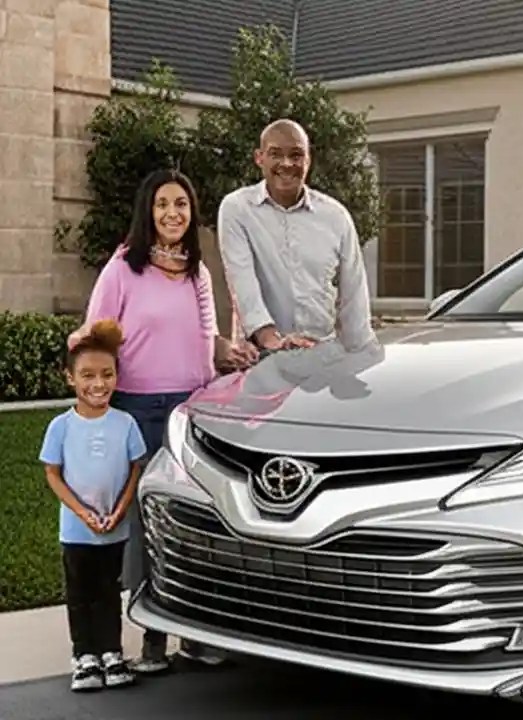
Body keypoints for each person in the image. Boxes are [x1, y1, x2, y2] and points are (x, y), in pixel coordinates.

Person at [69, 168, 258, 674]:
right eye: (162, 205)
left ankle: (195, 632)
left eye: (181, 204)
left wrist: (229, 352)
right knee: (144, 524)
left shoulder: (197, 272)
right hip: (136, 410)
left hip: (191, 412)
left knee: (195, 522)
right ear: (147, 212)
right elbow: (95, 336)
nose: (172, 214)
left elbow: (206, 338)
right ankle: (151, 634)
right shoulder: (121, 270)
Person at [41, 319, 147, 692]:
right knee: (79, 593)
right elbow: (53, 474)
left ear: (117, 376)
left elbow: (136, 468)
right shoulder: (61, 427)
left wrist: (120, 509)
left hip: (113, 528)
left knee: (108, 591)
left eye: (106, 374)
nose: (98, 384)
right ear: (71, 379)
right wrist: (81, 512)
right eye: (87, 375)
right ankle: (84, 656)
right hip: (76, 530)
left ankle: (110, 652)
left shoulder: (125, 423)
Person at [217, 118, 376, 353]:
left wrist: (363, 355)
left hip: (324, 359)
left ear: (308, 160)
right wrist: (271, 340)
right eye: (275, 154)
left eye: (296, 155)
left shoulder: (335, 216)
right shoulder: (237, 209)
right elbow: (242, 282)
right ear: (259, 158)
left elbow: (354, 297)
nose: (287, 163)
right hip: (262, 359)